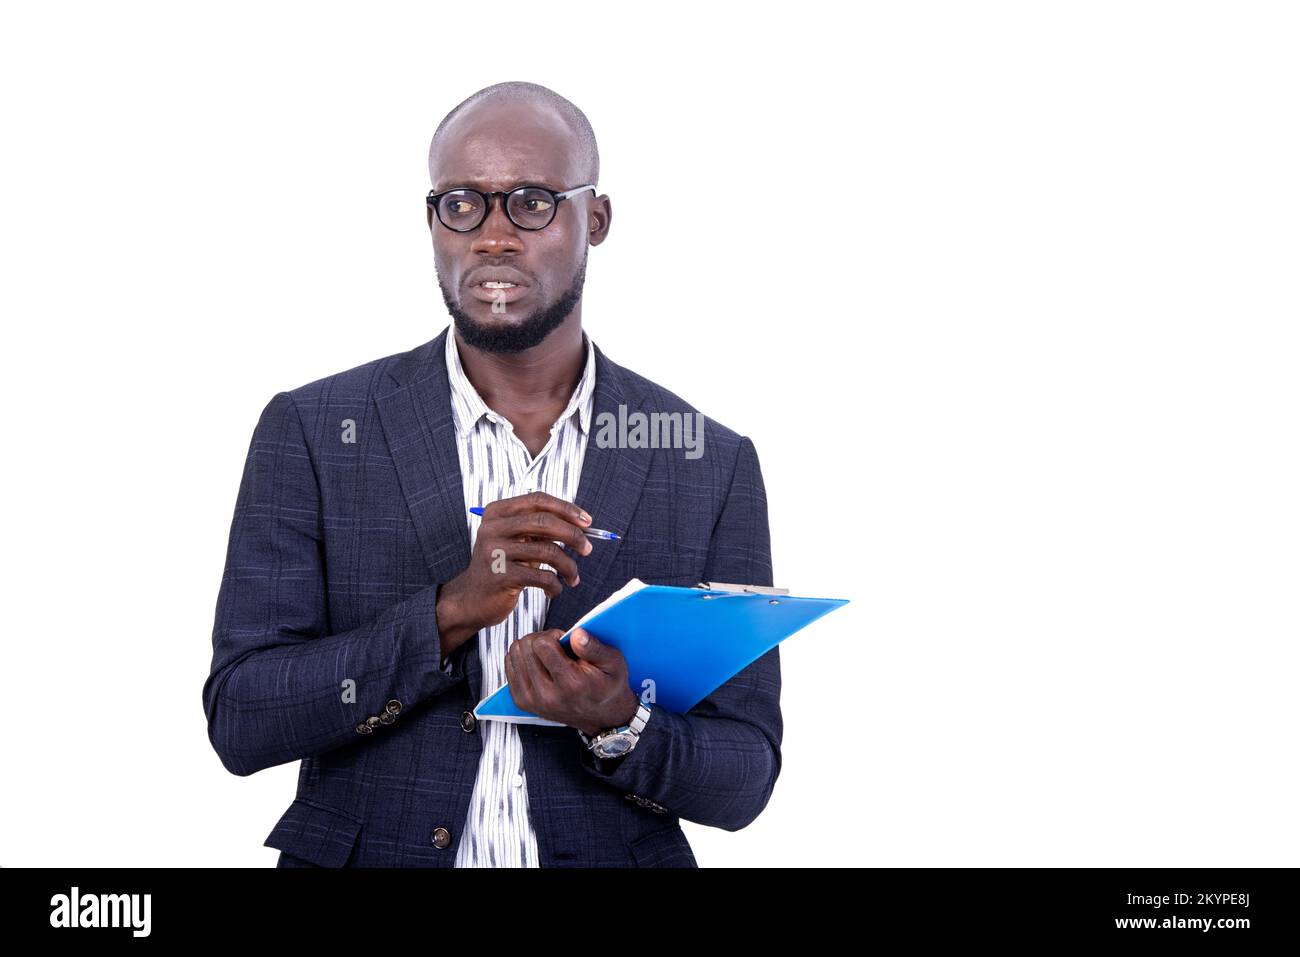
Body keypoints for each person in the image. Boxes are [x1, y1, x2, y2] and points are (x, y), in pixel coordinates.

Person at [202, 81, 781, 867]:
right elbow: (241, 718)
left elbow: (744, 775)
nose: (493, 237)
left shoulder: (706, 461)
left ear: (596, 220)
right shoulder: (312, 431)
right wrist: (447, 614)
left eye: (533, 202)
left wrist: (616, 721)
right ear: (433, 220)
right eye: (463, 204)